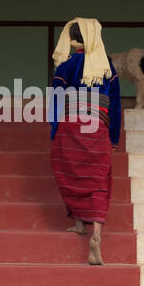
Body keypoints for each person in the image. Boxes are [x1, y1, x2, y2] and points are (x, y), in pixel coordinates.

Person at [48, 18, 122, 266]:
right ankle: (96, 236)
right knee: (98, 181)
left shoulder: (65, 67)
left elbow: (56, 103)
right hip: (97, 129)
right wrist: (113, 138)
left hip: (69, 129)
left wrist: (54, 131)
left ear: (72, 40)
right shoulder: (107, 69)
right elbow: (115, 107)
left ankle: (79, 224)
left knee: (72, 175)